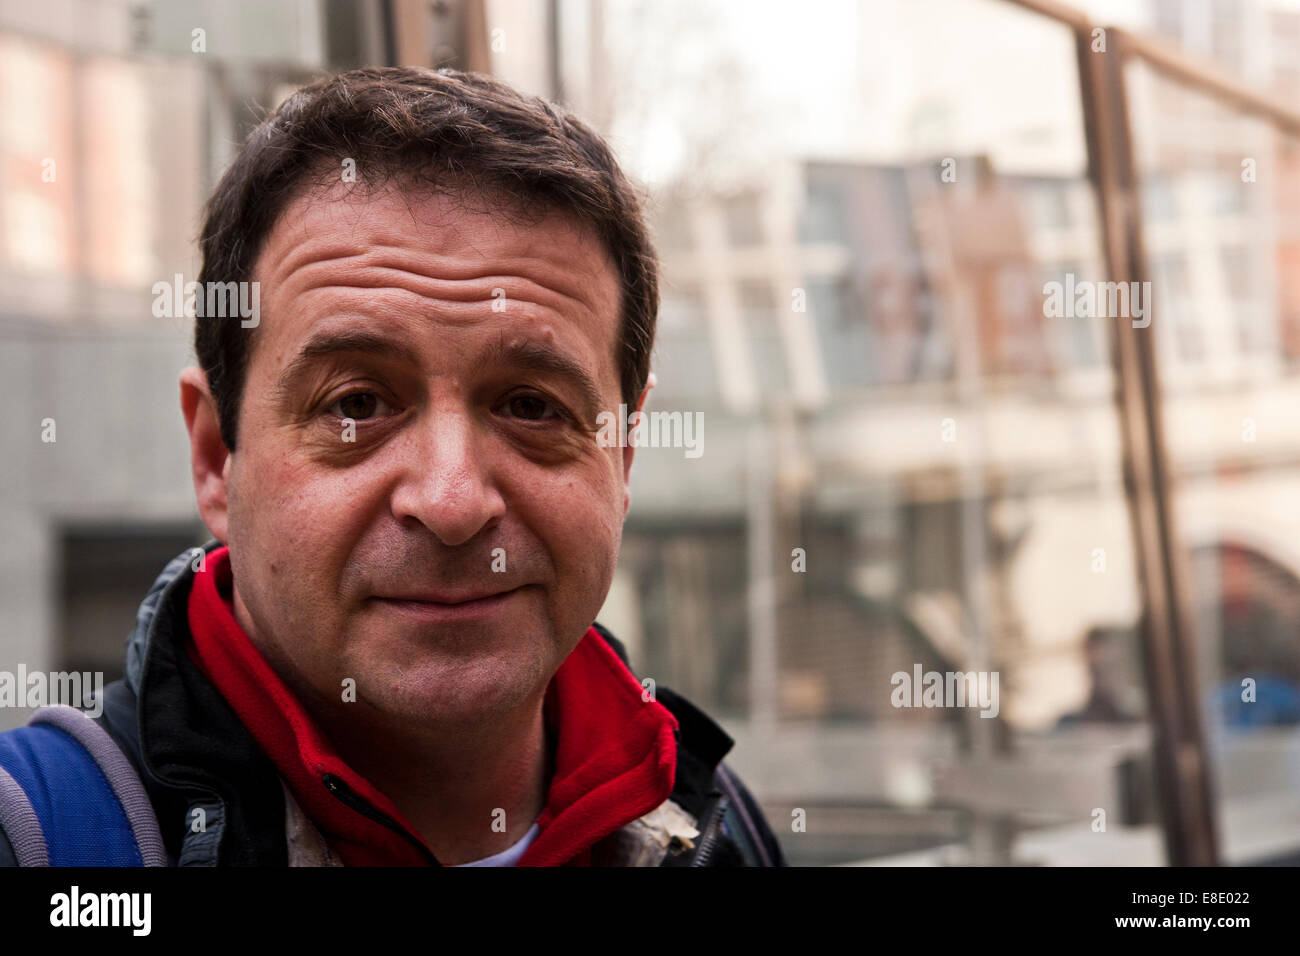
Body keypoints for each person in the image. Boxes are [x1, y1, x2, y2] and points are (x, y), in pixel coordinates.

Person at [0, 66, 785, 868]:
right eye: (356, 405)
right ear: (215, 459)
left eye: (531, 406)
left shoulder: (712, 825)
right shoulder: (39, 838)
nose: (451, 502)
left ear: (620, 457)